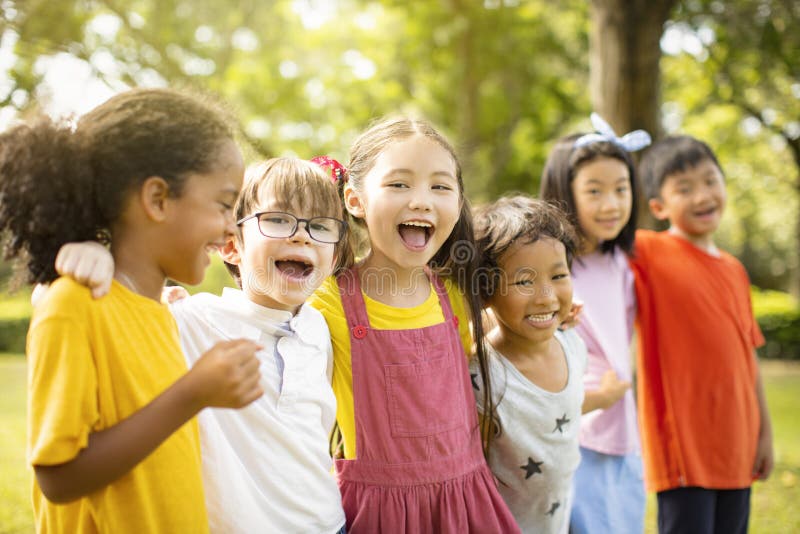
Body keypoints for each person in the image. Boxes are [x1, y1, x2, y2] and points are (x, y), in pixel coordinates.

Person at [0, 88, 263, 533]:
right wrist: (193, 393)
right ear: (158, 199)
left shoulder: (158, 313)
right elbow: (58, 479)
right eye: (223, 205)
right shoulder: (73, 307)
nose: (229, 229)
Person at [54, 157, 351, 532]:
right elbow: (91, 311)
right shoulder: (191, 319)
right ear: (230, 245)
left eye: (320, 226)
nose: (302, 235)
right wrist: (96, 254)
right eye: (277, 219)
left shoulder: (319, 328)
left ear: (334, 256)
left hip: (329, 523)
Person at [308, 117, 519, 533]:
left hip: (464, 506)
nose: (421, 201)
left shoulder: (455, 296)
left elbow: (494, 343)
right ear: (354, 200)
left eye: (440, 186)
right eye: (399, 184)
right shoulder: (327, 302)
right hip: (379, 513)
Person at [633, 135, 774, 534]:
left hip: (737, 447)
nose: (702, 195)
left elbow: (748, 356)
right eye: (684, 188)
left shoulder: (735, 269)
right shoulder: (648, 251)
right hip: (684, 453)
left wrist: (764, 432)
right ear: (658, 207)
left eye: (711, 181)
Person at [472, 195, 628, 533]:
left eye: (558, 276)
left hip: (557, 519)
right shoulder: (483, 377)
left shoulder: (572, 343)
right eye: (524, 281)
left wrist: (604, 397)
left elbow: (557, 410)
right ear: (486, 291)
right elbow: (471, 469)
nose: (545, 296)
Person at [539, 113, 650, 533]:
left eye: (621, 189)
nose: (611, 204)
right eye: (594, 190)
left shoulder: (620, 263)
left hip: (622, 429)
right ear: (564, 192)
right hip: (574, 432)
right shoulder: (552, 268)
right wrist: (597, 397)